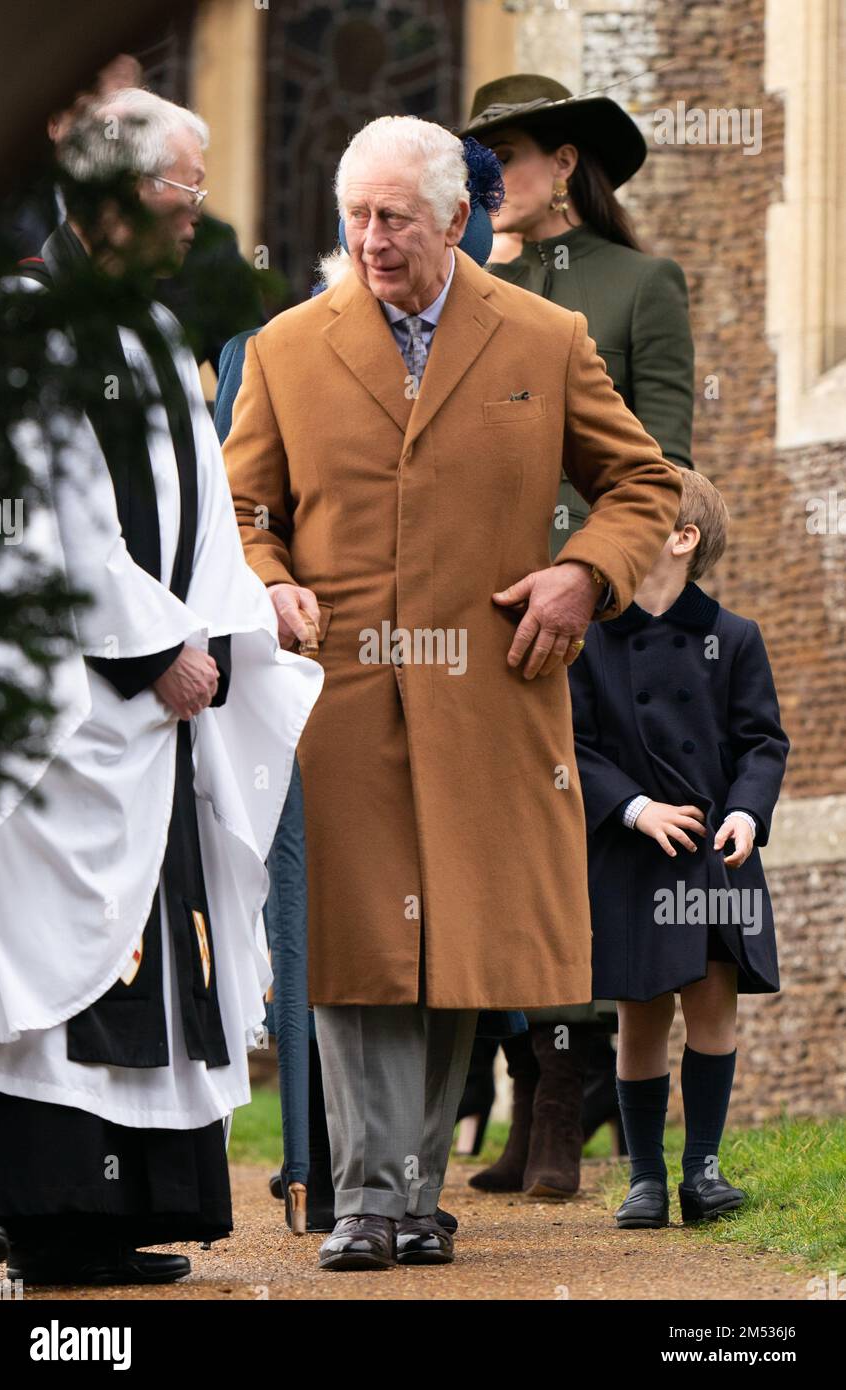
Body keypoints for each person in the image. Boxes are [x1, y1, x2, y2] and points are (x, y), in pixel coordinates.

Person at [224, 112, 683, 1271]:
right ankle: (374, 1196)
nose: (370, 242)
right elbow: (239, 514)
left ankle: (413, 1192)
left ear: (455, 220)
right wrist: (267, 581)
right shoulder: (285, 346)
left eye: (393, 220)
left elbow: (640, 483)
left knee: (456, 950)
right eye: (354, 219)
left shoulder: (544, 335)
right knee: (362, 948)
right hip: (341, 691)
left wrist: (584, 574)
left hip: (492, 687)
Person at [0, 88, 321, 1286]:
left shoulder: (149, 328)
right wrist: (144, 644)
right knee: (73, 955)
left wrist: (242, 617)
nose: (199, 216)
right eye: (186, 190)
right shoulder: (23, 321)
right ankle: (51, 1224)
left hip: (163, 713)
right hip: (84, 708)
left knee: (154, 952)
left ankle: (119, 1221)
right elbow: (36, 516)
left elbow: (198, 519)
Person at [460, 71, 696, 1195]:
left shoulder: (640, 282)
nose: (490, 176)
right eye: (480, 157)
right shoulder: (462, 290)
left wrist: (585, 568)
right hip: (468, 607)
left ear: (563, 164)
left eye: (509, 154)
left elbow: (664, 467)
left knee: (567, 847)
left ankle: (566, 1094)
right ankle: (523, 1088)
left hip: (586, 601)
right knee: (484, 856)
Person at [568, 470, 789, 1226]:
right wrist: (633, 808)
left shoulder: (735, 638)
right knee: (640, 1013)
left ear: (681, 539)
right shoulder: (592, 640)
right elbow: (573, 745)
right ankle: (646, 1179)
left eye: (635, 520)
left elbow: (764, 742)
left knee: (713, 1003)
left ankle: (703, 1171)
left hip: (715, 852)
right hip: (633, 853)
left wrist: (748, 816)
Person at [0, 53, 266, 372]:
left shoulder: (194, 263)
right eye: (101, 107)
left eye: (137, 106)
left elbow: (252, 381)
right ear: (55, 122)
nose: (119, 127)